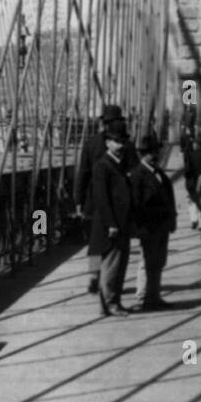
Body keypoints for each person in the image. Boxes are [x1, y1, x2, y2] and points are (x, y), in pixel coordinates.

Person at [76, 104, 135, 294]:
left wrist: (78, 200)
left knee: (95, 240)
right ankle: (106, 280)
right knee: (112, 241)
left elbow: (82, 174)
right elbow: (133, 172)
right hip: (115, 202)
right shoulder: (127, 144)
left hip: (93, 201)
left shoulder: (91, 143)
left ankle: (95, 275)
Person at [89, 120, 136, 317]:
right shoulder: (103, 166)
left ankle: (113, 302)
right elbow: (101, 198)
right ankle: (109, 304)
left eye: (123, 141)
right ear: (108, 142)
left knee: (120, 265)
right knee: (111, 266)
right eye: (116, 141)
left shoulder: (119, 164)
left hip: (122, 223)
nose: (121, 145)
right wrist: (110, 224)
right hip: (112, 225)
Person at [128, 134, 177, 311]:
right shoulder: (138, 175)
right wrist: (139, 226)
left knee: (158, 262)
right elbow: (136, 203)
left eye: (157, 151)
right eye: (152, 152)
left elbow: (169, 198)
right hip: (148, 226)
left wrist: (172, 219)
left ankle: (154, 296)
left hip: (161, 226)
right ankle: (143, 296)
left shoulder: (160, 174)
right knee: (147, 261)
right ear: (144, 154)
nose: (156, 155)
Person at [183, 131, 201, 229]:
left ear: (196, 145)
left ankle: (194, 219)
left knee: (192, 201)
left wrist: (187, 179)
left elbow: (187, 171)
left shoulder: (191, 156)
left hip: (192, 183)